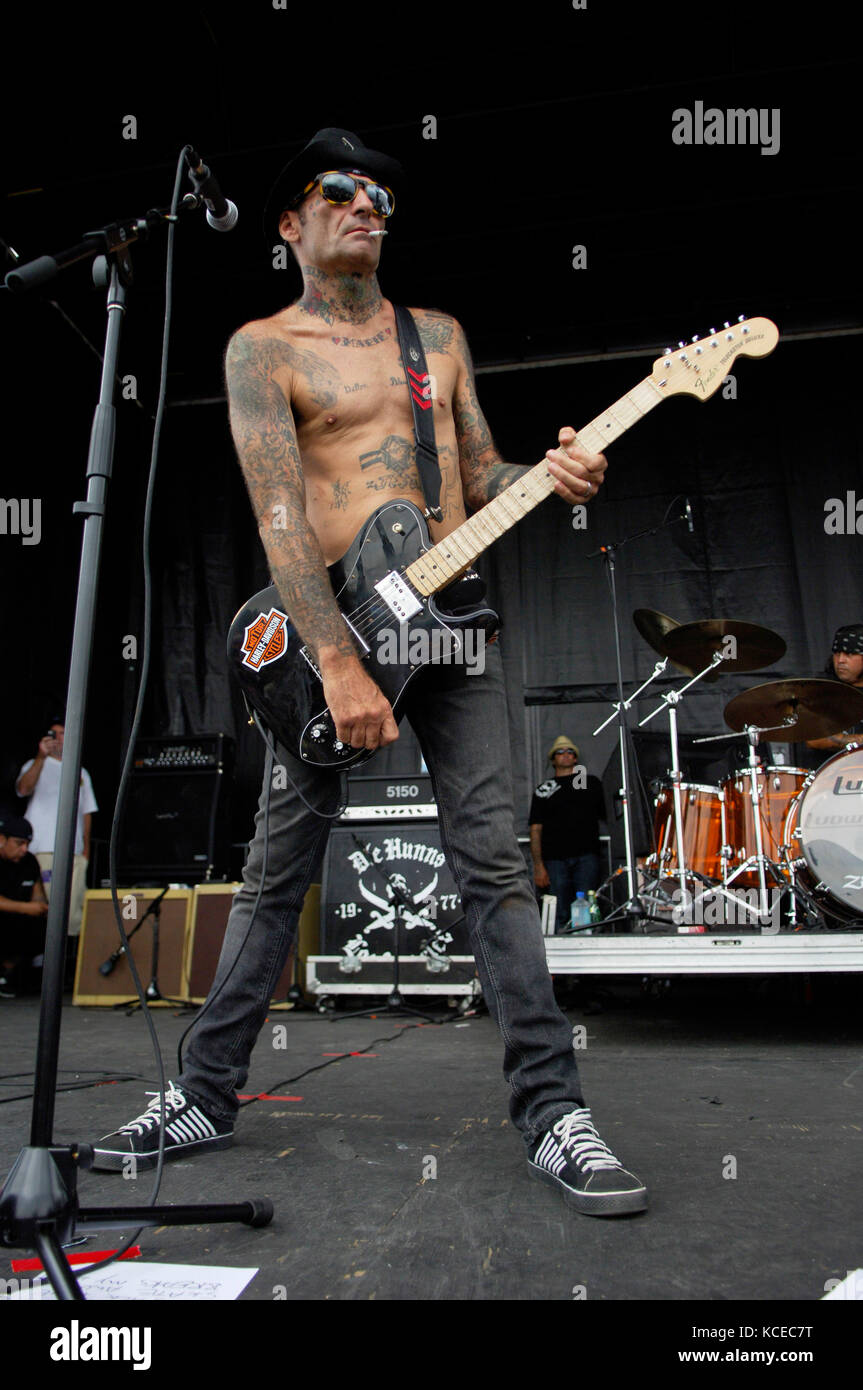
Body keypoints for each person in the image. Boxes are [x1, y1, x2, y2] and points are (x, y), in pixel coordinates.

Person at [92, 128, 646, 1217]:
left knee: (493, 863)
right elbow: (280, 515)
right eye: (339, 189)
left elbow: (480, 473)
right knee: (274, 874)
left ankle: (552, 1112)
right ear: (289, 222)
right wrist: (338, 663)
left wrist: (554, 472)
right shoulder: (261, 348)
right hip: (334, 635)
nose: (366, 203)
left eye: (381, 194)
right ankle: (203, 1092)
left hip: (454, 624)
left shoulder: (435, 336)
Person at [15, 719, 97, 938]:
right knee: (46, 908)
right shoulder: (34, 764)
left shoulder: (81, 772)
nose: (59, 738)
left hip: (74, 852)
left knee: (73, 913)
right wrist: (41, 757)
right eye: (55, 733)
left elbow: (87, 813)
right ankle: (40, 954)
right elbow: (23, 789)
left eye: (63, 733)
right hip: (42, 848)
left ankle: (70, 957)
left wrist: (86, 850)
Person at [530, 735, 605, 932]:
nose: (565, 754)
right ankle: (560, 946)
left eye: (570, 751)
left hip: (587, 856)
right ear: (553, 759)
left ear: (576, 758)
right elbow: (535, 829)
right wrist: (538, 865)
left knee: (587, 907)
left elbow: (606, 814)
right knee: (559, 909)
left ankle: (589, 945)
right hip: (555, 860)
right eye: (560, 752)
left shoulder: (591, 783)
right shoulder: (543, 790)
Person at [0, 815, 49, 998]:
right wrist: (25, 908)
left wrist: (41, 906)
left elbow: (38, 893)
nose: (24, 849)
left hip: (19, 921)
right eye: (19, 843)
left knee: (45, 925)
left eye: (27, 844)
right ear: (2, 839)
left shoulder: (30, 861)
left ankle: (13, 974)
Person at [806, 623, 863, 758]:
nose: (840, 660)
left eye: (849, 654)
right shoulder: (821, 689)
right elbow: (815, 740)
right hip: (834, 769)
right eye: (837, 653)